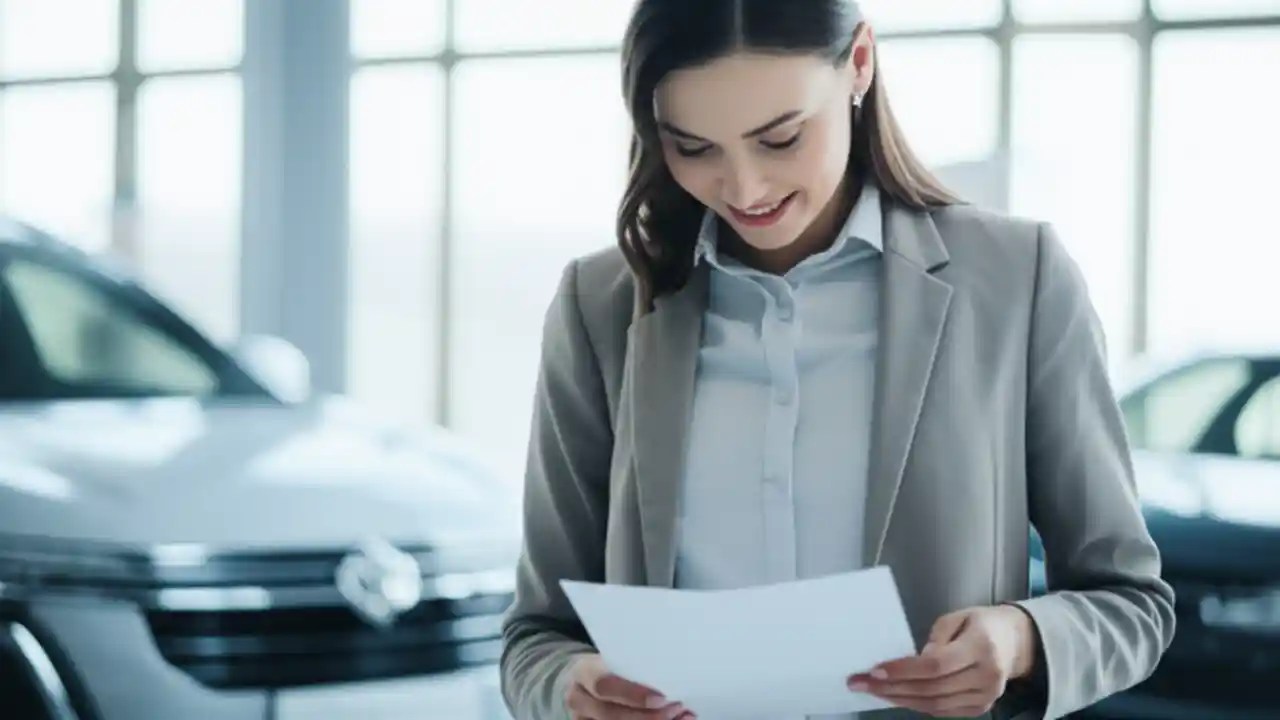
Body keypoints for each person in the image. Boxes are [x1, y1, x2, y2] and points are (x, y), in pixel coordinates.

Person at [500, 1, 1175, 718]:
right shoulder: (600, 307)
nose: (744, 188)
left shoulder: (1015, 279)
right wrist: (569, 688)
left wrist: (1020, 639)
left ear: (859, 64)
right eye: (693, 148)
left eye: (781, 138)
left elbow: (1130, 602)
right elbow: (536, 636)